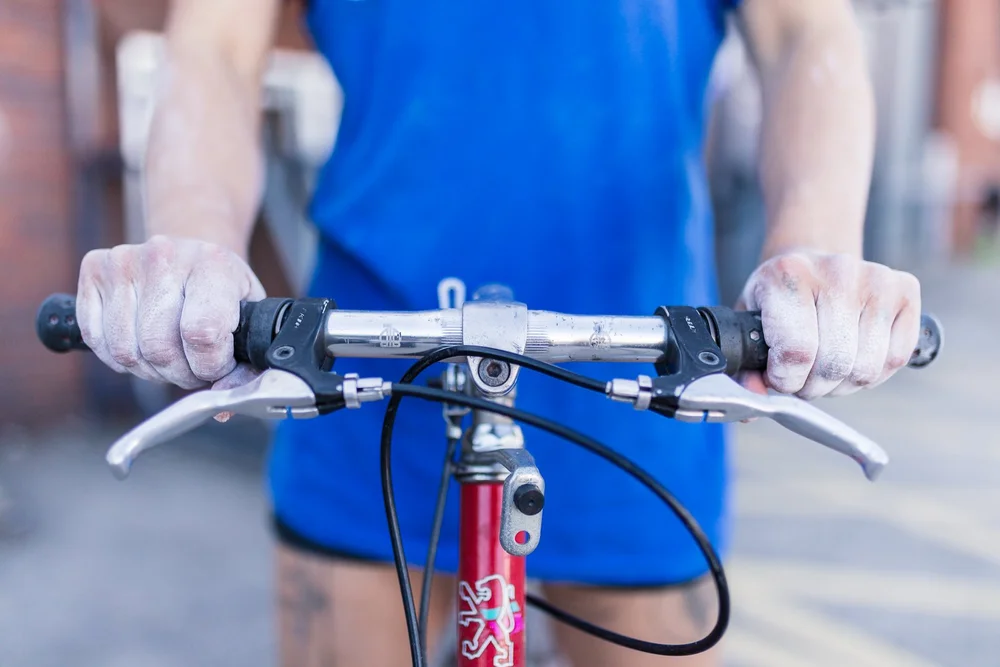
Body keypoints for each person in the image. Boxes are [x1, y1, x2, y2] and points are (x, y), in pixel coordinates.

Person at [74, 0, 922, 665]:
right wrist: (194, 245)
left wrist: (814, 253)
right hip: (366, 378)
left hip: (646, 383)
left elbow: (803, 31)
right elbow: (215, 46)